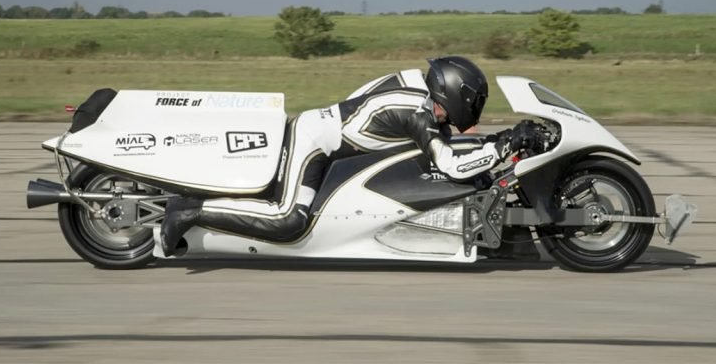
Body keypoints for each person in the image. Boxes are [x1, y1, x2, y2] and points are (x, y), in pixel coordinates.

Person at [160, 55, 540, 256]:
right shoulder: (418, 114)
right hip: (313, 143)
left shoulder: (415, 92)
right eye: (474, 99)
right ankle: (190, 210)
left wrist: (501, 142)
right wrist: (506, 144)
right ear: (457, 93)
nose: (475, 107)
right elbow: (450, 163)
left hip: (326, 139)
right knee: (289, 220)